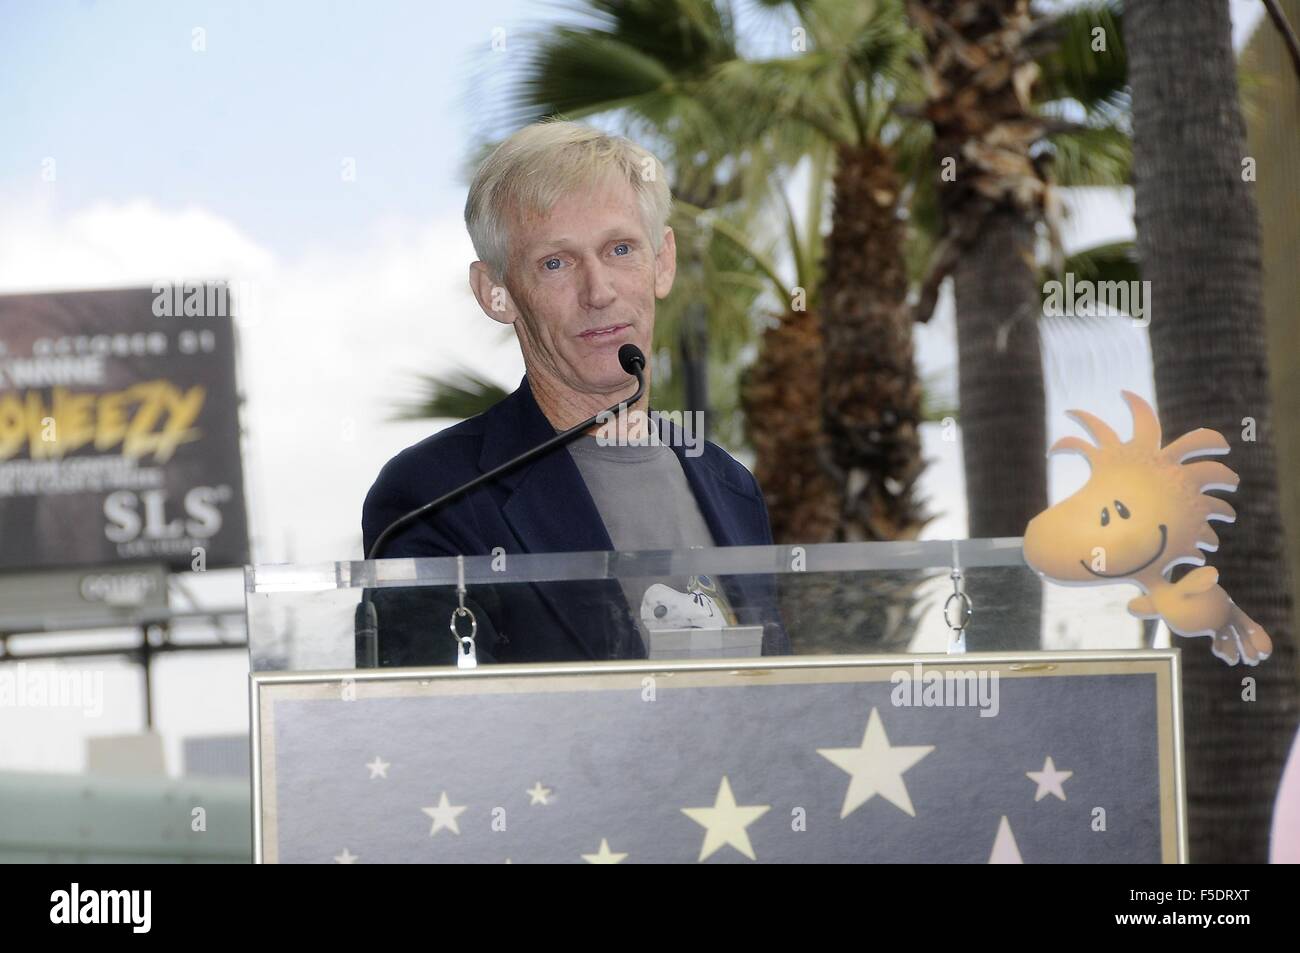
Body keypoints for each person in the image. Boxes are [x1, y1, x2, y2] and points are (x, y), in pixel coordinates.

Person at [361, 120, 787, 665]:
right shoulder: (434, 498)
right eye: (555, 263)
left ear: (663, 262)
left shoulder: (731, 486)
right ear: (495, 293)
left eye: (620, 249)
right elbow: (440, 731)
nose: (599, 291)